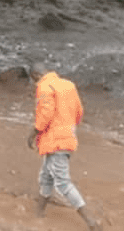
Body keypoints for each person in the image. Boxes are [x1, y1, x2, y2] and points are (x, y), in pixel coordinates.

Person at [27, 62, 102, 230]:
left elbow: (45, 113)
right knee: (46, 177)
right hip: (67, 138)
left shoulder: (45, 86)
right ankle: (39, 213)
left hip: (55, 141)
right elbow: (79, 112)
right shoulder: (68, 85)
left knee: (63, 183)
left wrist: (33, 133)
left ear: (35, 76)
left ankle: (91, 221)